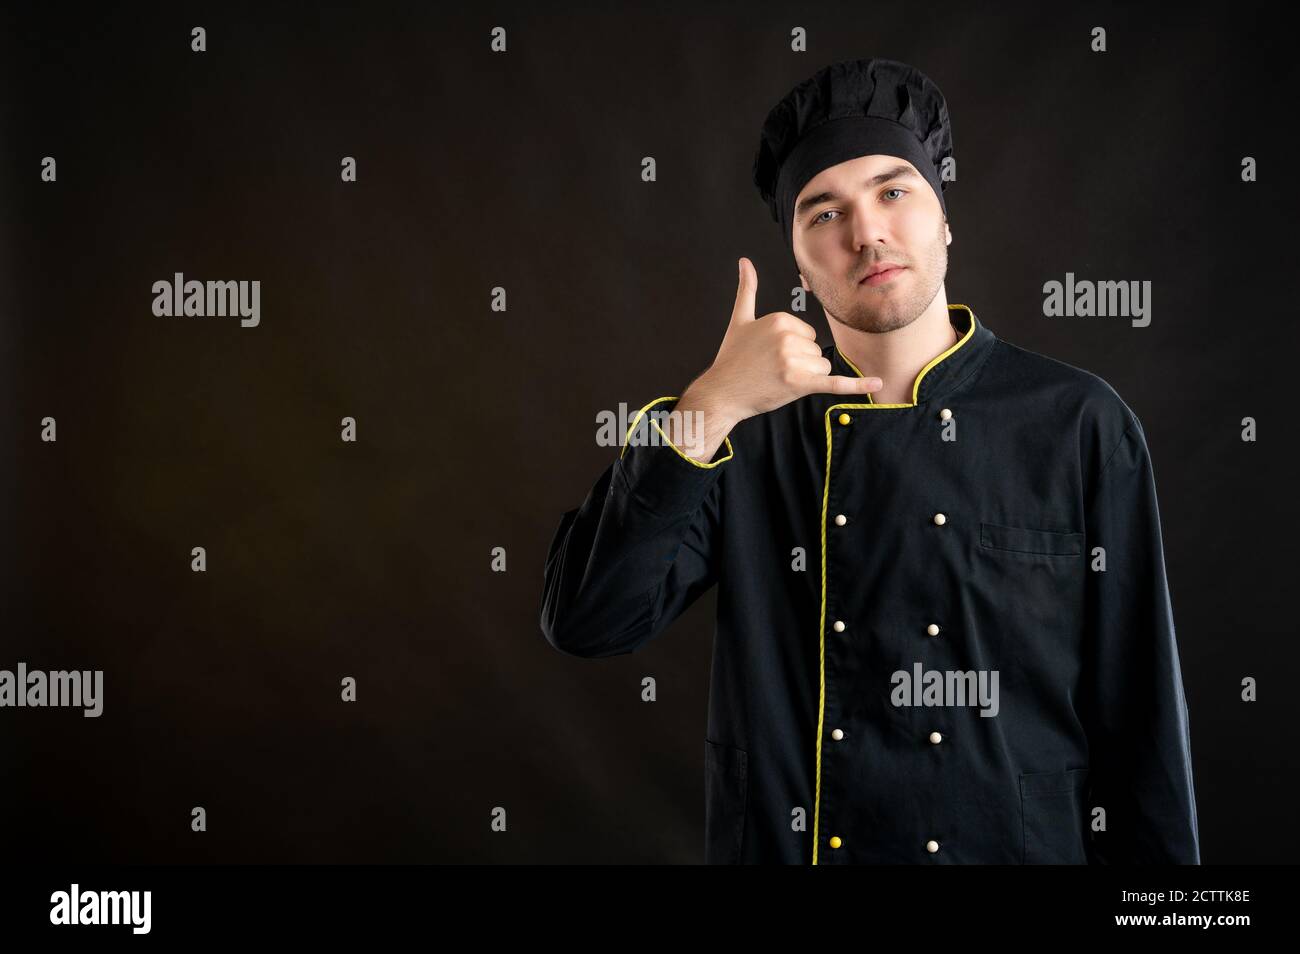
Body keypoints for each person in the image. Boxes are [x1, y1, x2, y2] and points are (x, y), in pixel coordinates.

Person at [540, 57, 1200, 865]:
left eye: (894, 192)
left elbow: (1143, 728)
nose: (867, 234)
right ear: (799, 261)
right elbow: (586, 621)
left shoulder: (1078, 422)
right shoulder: (739, 429)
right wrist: (708, 405)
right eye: (824, 214)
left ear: (944, 218)